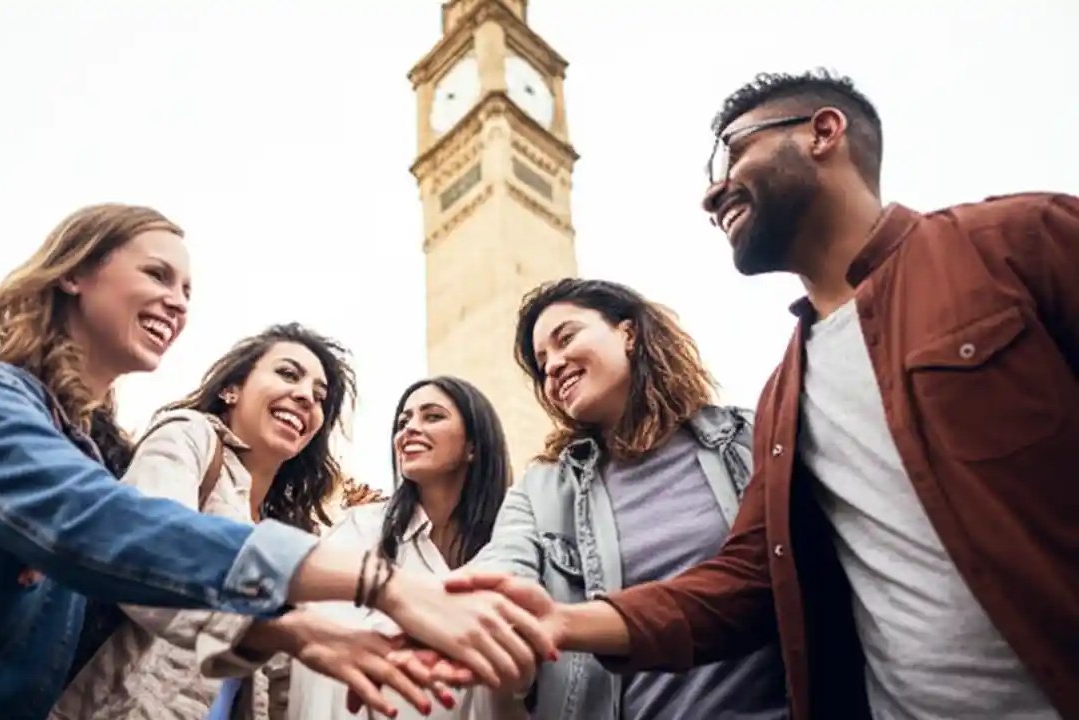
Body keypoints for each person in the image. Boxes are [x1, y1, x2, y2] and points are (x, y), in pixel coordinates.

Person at [452, 70, 1079, 720]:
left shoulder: (1017, 245)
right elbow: (749, 585)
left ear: (823, 133)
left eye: (735, 151)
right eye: (538, 360)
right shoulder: (786, 400)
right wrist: (559, 624)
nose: (712, 191)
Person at [0, 204, 558, 719]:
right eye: (157, 274)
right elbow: (105, 528)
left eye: (188, 289)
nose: (177, 301)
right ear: (75, 272)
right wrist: (377, 584)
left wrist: (289, 635)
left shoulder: (95, 453)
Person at [55, 323, 459, 719]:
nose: (305, 398)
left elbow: (280, 683)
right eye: (287, 374)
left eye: (320, 397)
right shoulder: (190, 438)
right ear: (232, 389)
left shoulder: (292, 533)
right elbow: (149, 551)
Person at [460, 278, 786, 720]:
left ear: (628, 334)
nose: (553, 366)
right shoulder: (538, 494)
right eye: (542, 363)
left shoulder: (752, 439)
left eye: (566, 338)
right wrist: (449, 609)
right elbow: (501, 568)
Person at [287, 376, 519, 720]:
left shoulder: (513, 541)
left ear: (474, 445)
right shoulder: (360, 529)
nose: (410, 429)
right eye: (403, 421)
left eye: (433, 416)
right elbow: (326, 633)